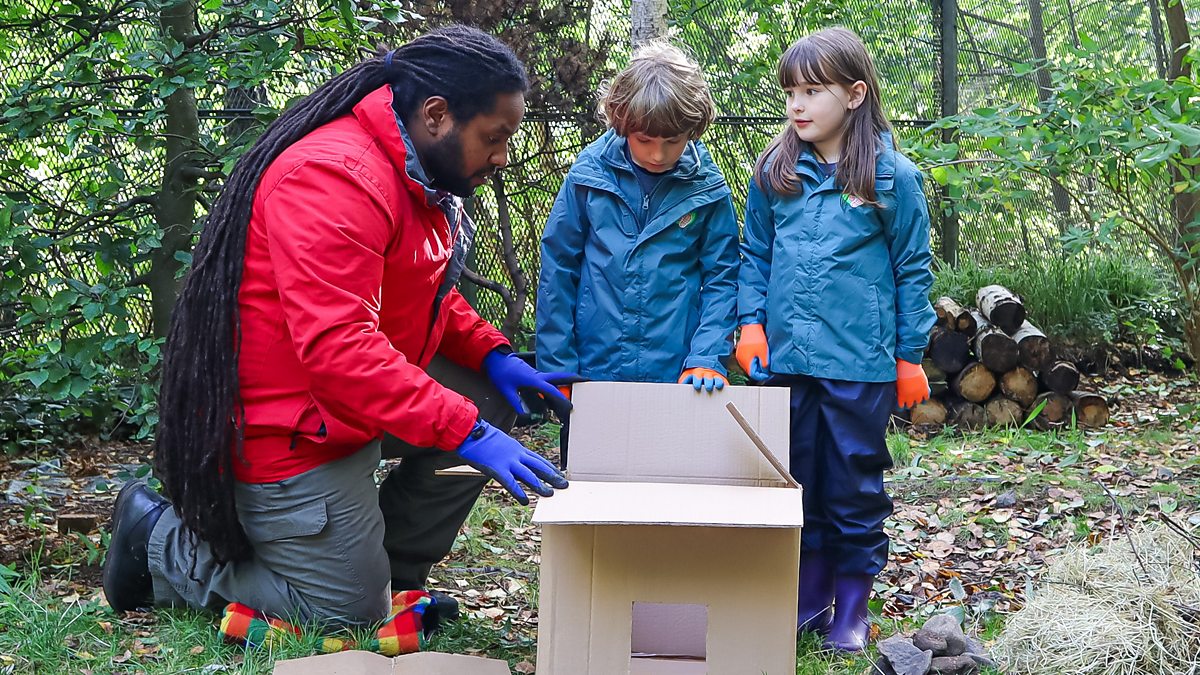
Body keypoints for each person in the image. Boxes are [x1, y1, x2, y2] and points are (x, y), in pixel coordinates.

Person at [102, 26, 573, 629]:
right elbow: (338, 350)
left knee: (489, 399)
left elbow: (417, 297)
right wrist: (463, 430)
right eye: (495, 138)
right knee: (344, 616)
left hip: (345, 405)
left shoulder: (416, 176)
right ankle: (162, 543)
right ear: (436, 115)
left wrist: (492, 356)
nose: (502, 157)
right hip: (289, 427)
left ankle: (395, 572)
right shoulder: (335, 178)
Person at [734, 27, 936, 652]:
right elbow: (754, 253)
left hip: (861, 362)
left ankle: (852, 601)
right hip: (786, 361)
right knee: (796, 475)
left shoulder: (891, 177)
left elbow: (912, 267)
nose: (797, 104)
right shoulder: (775, 172)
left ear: (854, 94)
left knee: (852, 479)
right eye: (791, 90)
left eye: (813, 90)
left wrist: (908, 356)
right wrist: (751, 324)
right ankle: (809, 591)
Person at [536, 42, 739, 436]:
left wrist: (707, 357)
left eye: (673, 141)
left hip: (679, 374)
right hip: (594, 374)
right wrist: (558, 366)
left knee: (672, 481)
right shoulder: (587, 178)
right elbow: (557, 270)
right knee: (592, 482)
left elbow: (723, 277)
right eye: (645, 139)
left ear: (693, 131)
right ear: (622, 122)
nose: (659, 155)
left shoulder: (709, 190)